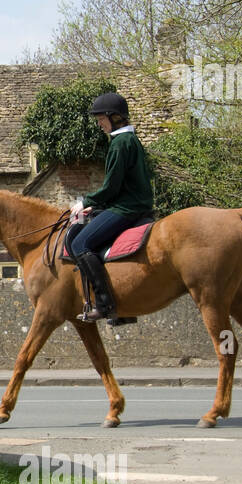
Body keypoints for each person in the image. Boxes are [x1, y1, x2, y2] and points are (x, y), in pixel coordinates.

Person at [65, 91, 155, 323]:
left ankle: (105, 305)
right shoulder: (131, 140)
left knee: (80, 243)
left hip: (126, 208)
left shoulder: (119, 144)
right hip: (135, 203)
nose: (99, 124)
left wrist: (85, 202)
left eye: (101, 119)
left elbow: (111, 188)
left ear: (114, 117)